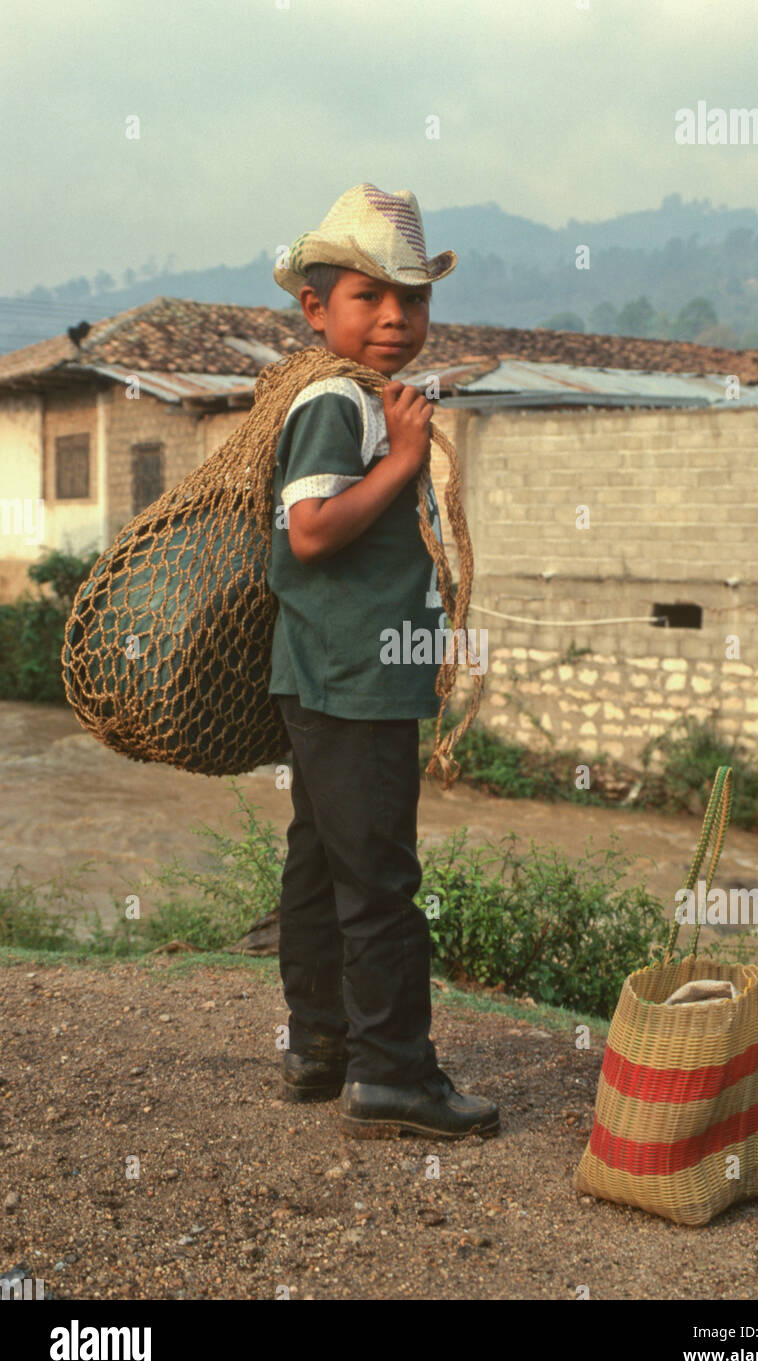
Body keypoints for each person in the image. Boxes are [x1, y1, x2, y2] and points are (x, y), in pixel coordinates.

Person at [267, 183, 499, 1140]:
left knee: (323, 868)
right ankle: (394, 1075)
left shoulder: (364, 398)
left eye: (413, 299)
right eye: (369, 297)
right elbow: (312, 532)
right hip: (352, 681)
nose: (398, 318)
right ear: (317, 310)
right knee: (382, 882)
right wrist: (402, 463)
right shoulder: (340, 405)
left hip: (332, 675)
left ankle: (322, 1049)